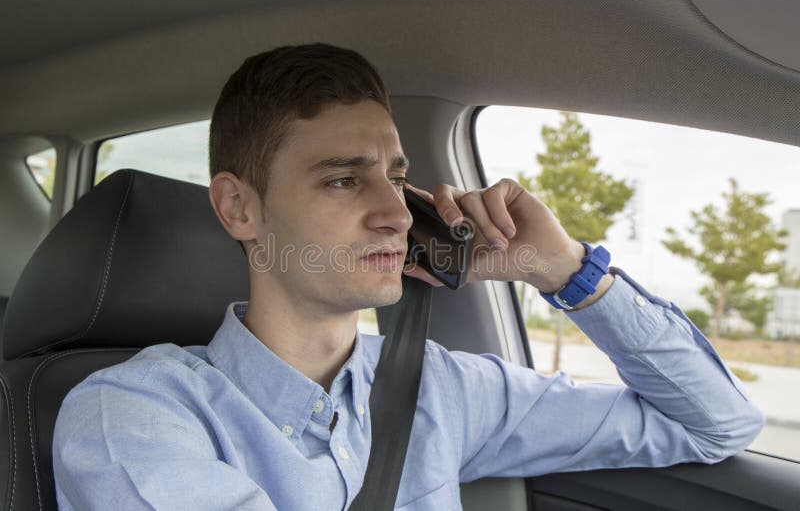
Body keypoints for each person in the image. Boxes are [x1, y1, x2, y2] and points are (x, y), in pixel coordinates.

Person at [52, 43, 765, 510]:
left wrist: (563, 271)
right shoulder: (131, 416)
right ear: (239, 206)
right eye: (341, 181)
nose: (395, 214)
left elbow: (716, 423)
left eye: (398, 178)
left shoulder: (443, 388)